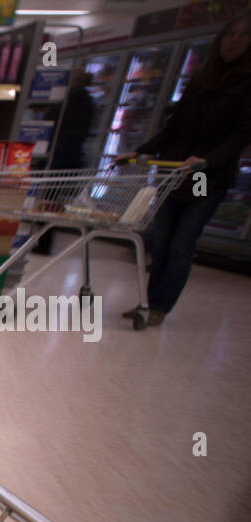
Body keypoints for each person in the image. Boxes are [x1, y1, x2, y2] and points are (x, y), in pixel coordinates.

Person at [120, 13, 251, 326]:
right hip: (175, 173)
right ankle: (145, 301)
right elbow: (174, 127)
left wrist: (207, 160)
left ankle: (160, 307)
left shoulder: (247, 85)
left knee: (182, 243)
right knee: (160, 241)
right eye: (230, 34)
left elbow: (242, 136)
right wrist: (140, 150)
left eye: (243, 35)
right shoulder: (201, 79)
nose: (234, 41)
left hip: (206, 177)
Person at [32, 69, 93, 254]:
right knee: (53, 202)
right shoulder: (88, 101)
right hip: (70, 158)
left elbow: (54, 123)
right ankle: (44, 241)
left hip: (59, 158)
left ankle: (44, 242)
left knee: (48, 201)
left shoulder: (70, 100)